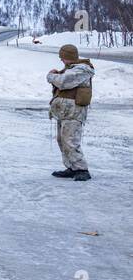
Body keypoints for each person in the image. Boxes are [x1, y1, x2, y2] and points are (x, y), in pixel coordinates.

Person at [47, 44, 94, 182]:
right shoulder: (70, 69)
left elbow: (63, 82)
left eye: (63, 57)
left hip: (74, 112)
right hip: (65, 112)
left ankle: (81, 169)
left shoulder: (82, 70)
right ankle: (71, 167)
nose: (61, 60)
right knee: (62, 140)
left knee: (70, 141)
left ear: (69, 57)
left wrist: (51, 76)